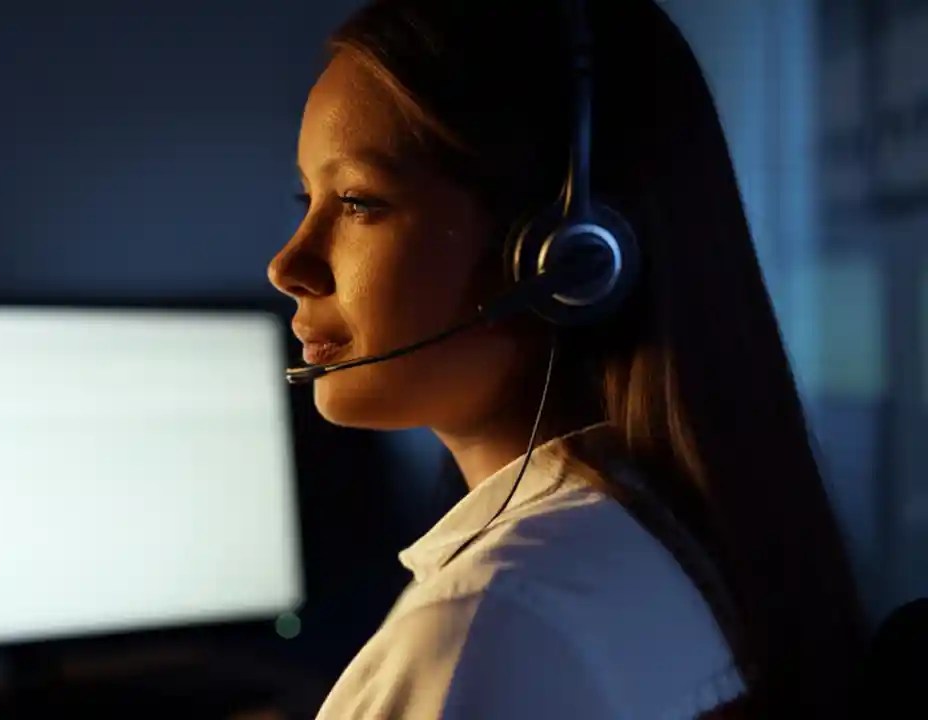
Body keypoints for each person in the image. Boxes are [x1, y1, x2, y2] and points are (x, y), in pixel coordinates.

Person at [265, 0, 869, 717]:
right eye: (307, 199)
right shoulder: (661, 545)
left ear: (570, 254)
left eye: (359, 202)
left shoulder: (489, 623)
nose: (288, 264)